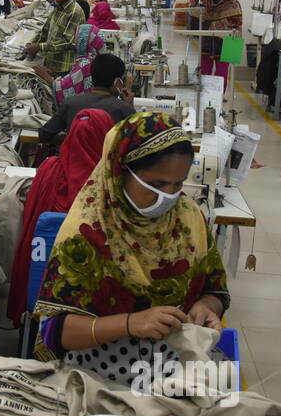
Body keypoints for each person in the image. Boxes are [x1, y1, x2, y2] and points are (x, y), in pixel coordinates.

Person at [32, 112, 231, 380]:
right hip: (102, 375)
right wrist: (130, 324)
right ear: (119, 171)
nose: (168, 196)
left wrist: (207, 307)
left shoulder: (189, 218)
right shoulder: (86, 232)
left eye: (178, 184)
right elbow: (55, 332)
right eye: (156, 184)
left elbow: (214, 288)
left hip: (179, 368)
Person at [7, 107, 115, 325]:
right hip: (95, 309)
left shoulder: (49, 169)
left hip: (41, 292)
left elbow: (29, 225)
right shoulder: (114, 187)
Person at [37, 53, 135, 145]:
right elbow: (137, 142)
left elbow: (44, 134)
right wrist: (130, 107)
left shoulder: (70, 103)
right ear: (118, 82)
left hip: (74, 161)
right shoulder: (123, 109)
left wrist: (70, 139)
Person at [24, 0, 85, 76]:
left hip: (64, 69)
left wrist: (39, 47)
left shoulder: (75, 12)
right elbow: (45, 30)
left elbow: (67, 42)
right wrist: (33, 44)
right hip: (50, 64)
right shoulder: (57, 8)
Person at [196, 0, 242, 84]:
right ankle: (205, 96)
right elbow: (199, 14)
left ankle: (219, 96)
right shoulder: (207, 1)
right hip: (207, 40)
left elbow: (238, 23)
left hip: (225, 42)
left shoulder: (233, 4)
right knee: (205, 71)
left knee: (222, 73)